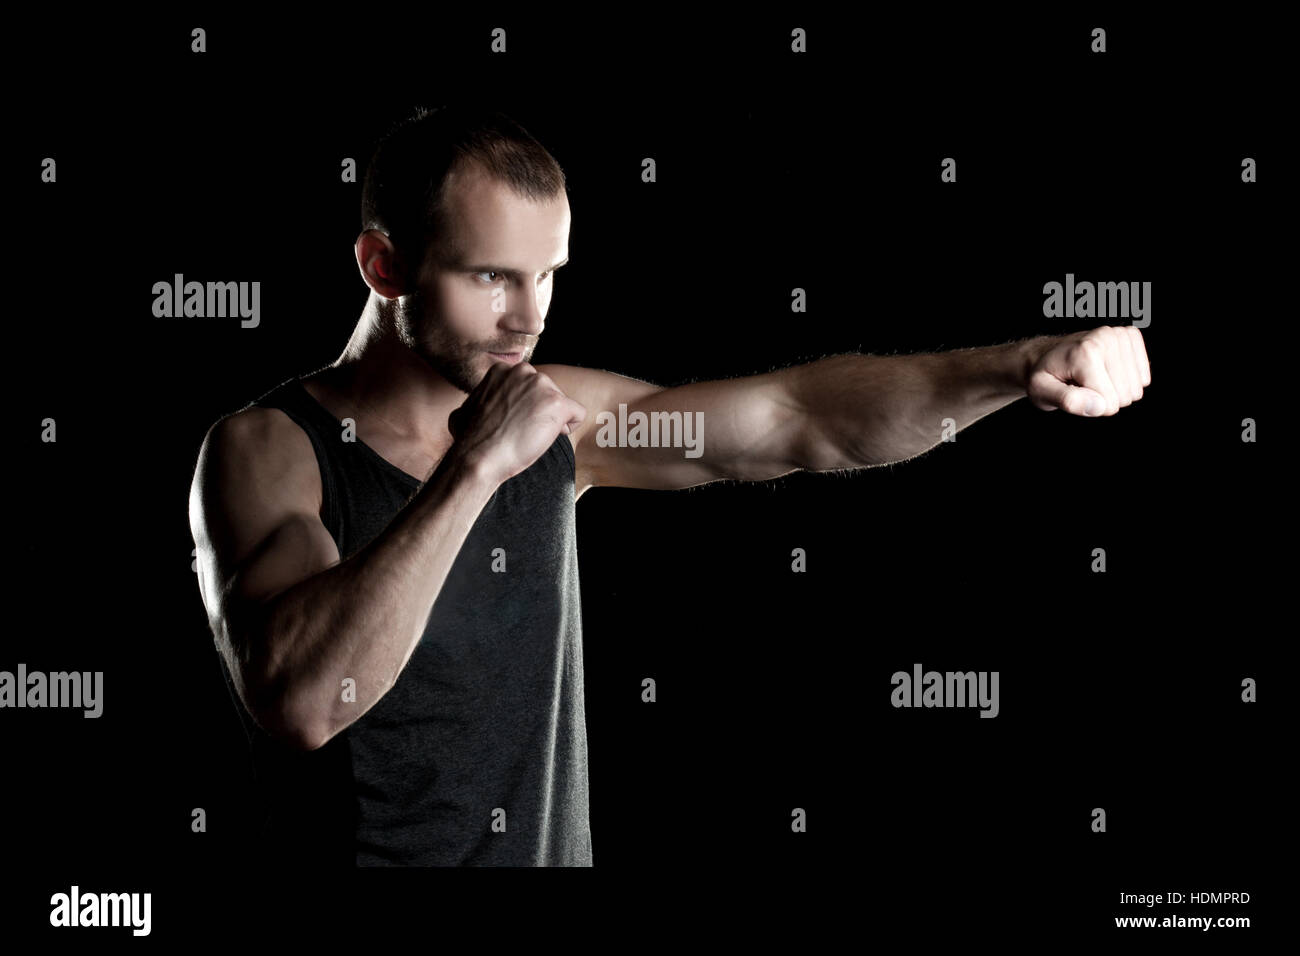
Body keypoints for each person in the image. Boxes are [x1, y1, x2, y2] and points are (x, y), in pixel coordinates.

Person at [188, 104, 1151, 867]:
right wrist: (476, 466)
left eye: (548, 276)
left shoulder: (560, 418)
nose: (528, 319)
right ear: (384, 264)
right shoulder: (272, 448)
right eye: (491, 278)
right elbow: (304, 700)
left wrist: (1018, 361)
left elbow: (797, 418)